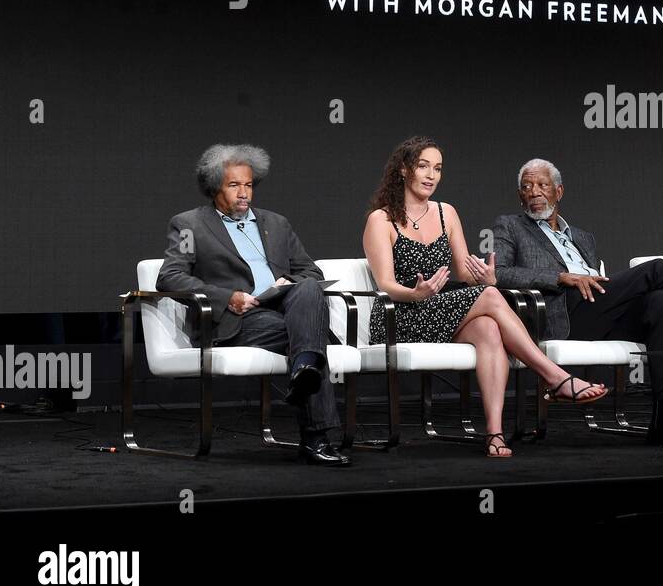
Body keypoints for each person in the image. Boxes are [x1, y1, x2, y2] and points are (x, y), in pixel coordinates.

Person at [364, 137, 608, 459]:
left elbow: (465, 273)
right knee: (491, 298)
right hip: (400, 313)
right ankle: (554, 376)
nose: (431, 175)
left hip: (440, 308)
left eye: (437, 168)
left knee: (490, 329)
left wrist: (485, 276)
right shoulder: (380, 220)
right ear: (404, 170)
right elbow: (385, 284)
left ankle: (494, 434)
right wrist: (415, 292)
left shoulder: (445, 213)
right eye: (423, 166)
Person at [157, 144, 350, 466]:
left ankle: (305, 367)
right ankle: (316, 431)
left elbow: (310, 270)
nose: (244, 193)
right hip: (237, 320)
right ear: (214, 186)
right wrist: (227, 296)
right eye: (234, 185)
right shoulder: (189, 224)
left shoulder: (276, 223)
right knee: (310, 339)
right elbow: (170, 277)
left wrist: (285, 284)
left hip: (284, 308)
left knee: (306, 287)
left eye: (248, 184)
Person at [492, 158, 663, 446]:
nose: (534, 192)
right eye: (527, 187)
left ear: (559, 191)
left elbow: (597, 281)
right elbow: (500, 274)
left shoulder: (583, 237)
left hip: (599, 307)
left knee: (661, 302)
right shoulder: (510, 226)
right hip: (563, 313)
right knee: (658, 269)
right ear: (520, 195)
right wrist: (561, 277)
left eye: (542, 185)